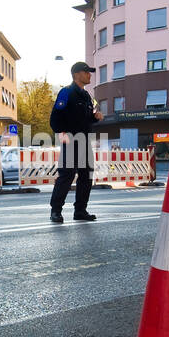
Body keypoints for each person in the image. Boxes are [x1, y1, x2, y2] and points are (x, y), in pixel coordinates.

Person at [49, 61, 102, 223]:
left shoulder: (87, 96)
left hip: (85, 141)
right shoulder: (66, 92)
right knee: (67, 175)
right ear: (76, 74)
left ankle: (80, 210)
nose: (89, 75)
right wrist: (62, 133)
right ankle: (56, 211)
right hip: (71, 140)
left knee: (86, 175)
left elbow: (86, 119)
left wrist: (95, 117)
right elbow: (55, 118)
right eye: (86, 72)